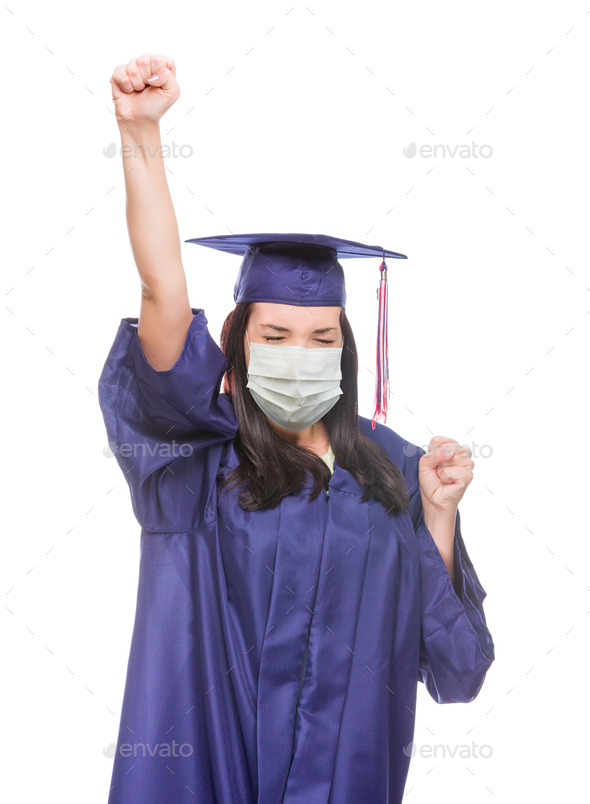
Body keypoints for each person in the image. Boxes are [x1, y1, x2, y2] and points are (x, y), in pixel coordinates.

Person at [100, 53, 495, 804]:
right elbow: (161, 291)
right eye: (274, 335)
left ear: (347, 348)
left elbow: (457, 673)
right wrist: (142, 136)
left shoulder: (393, 470)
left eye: (322, 339)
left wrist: (438, 518)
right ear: (235, 341)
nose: (299, 356)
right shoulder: (186, 463)